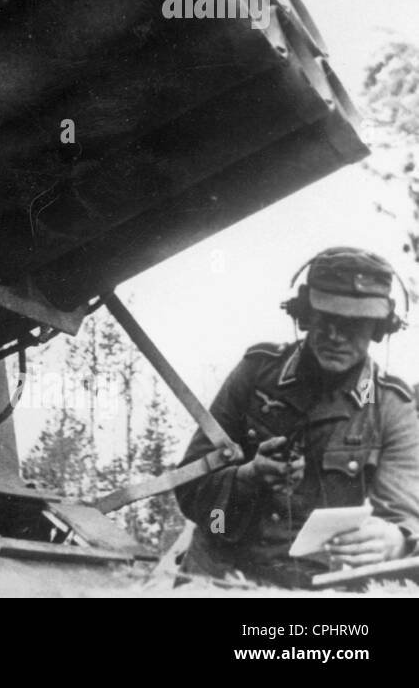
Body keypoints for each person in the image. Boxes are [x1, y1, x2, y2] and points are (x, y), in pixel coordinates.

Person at [176, 247, 419, 588]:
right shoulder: (255, 374)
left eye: (354, 324)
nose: (336, 336)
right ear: (305, 314)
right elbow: (190, 494)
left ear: (380, 328)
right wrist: (247, 477)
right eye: (327, 319)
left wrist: (396, 541)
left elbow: (406, 521)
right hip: (216, 579)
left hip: (313, 590)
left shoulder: (392, 408)